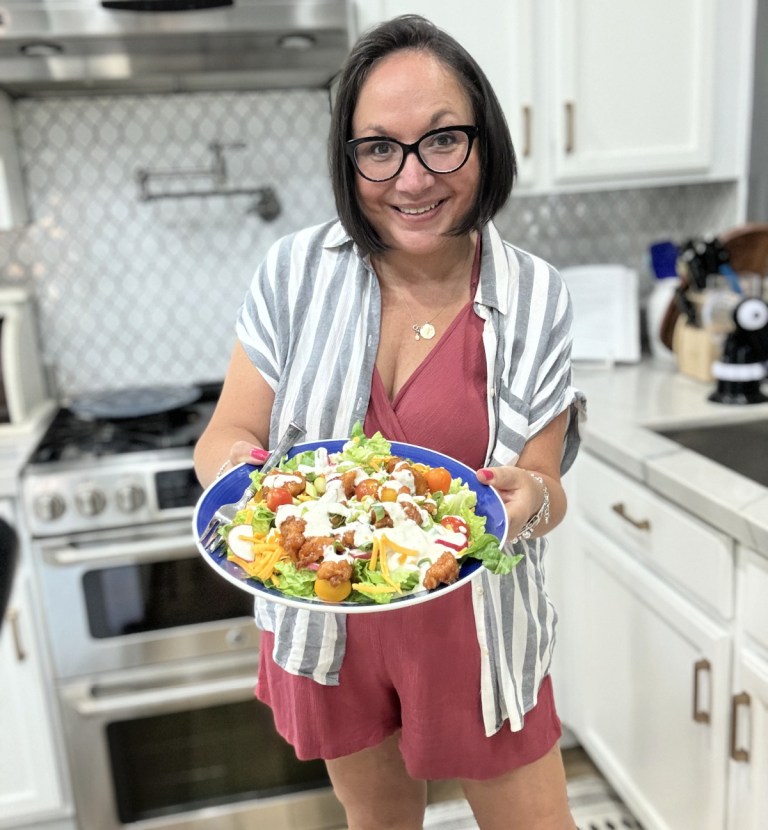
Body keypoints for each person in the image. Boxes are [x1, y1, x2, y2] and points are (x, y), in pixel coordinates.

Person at [194, 14, 585, 830]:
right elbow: (222, 437)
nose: (411, 180)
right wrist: (247, 470)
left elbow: (546, 490)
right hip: (327, 621)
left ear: (485, 141)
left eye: (443, 140)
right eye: (379, 148)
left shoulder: (538, 296)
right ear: (349, 158)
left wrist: (531, 501)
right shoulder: (295, 272)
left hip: (473, 630)